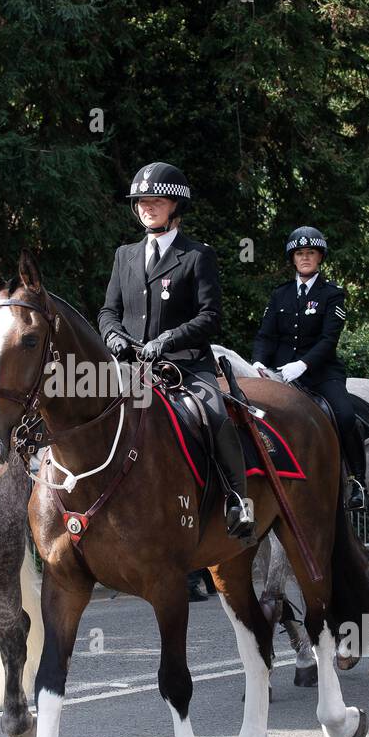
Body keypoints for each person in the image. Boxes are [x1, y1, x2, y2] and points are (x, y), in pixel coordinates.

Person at [99, 161, 253, 538]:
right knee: (81, 404)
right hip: (131, 367)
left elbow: (210, 317)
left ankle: (237, 500)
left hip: (185, 365)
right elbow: (108, 311)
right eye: (141, 201)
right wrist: (114, 335)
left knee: (215, 415)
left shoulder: (198, 255)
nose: (146, 207)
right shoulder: (125, 256)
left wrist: (167, 340)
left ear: (175, 207)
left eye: (156, 200)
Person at [253, 227, 367, 510]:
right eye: (300, 253)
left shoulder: (332, 294)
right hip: (280, 372)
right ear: (293, 258)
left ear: (319, 258)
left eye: (310, 253)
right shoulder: (280, 295)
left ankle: (358, 481)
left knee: (345, 415)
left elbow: (329, 339)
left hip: (321, 372)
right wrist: (258, 361)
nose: (305, 258)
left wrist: (303, 364)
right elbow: (266, 335)